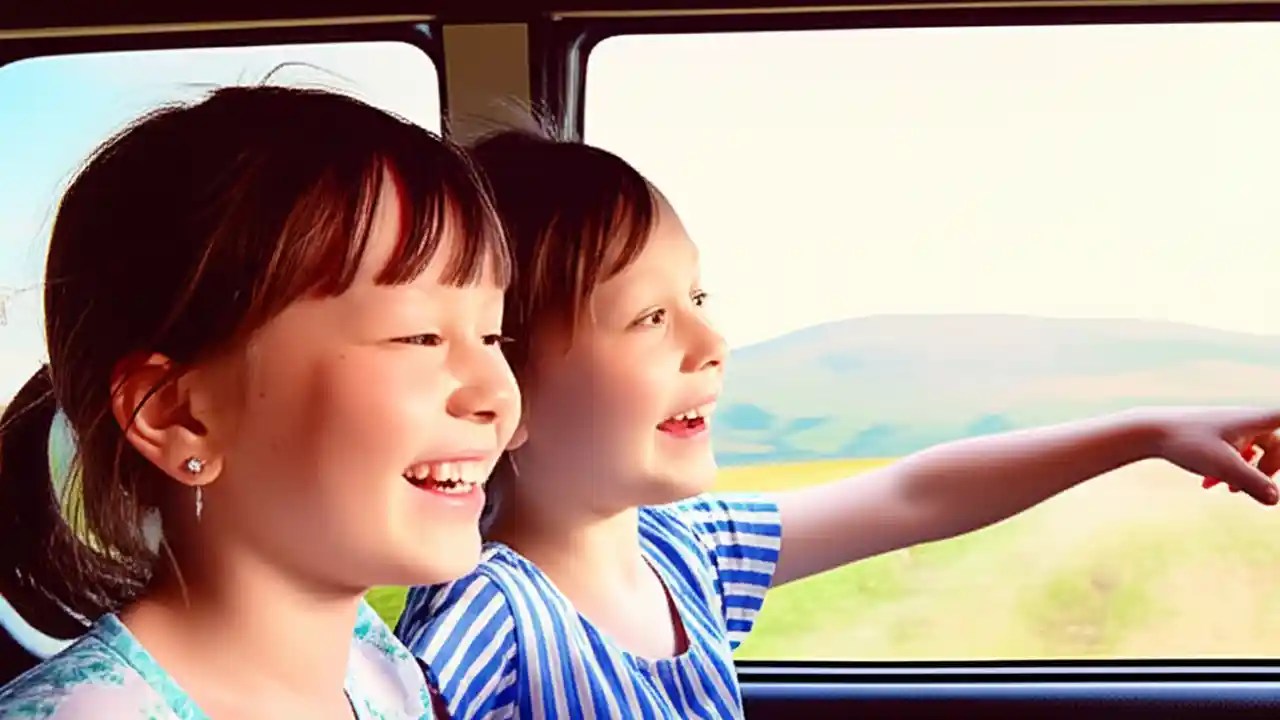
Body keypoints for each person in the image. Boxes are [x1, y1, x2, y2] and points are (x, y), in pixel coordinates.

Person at [395, 124, 1280, 720]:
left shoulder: (681, 554)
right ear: (501, 382)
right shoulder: (490, 621)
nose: (712, 342)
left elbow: (913, 493)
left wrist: (1148, 432)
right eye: (650, 320)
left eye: (698, 298)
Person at [0, 85, 520, 719]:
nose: (499, 396)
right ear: (180, 418)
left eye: (493, 334)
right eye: (419, 335)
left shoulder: (378, 665)